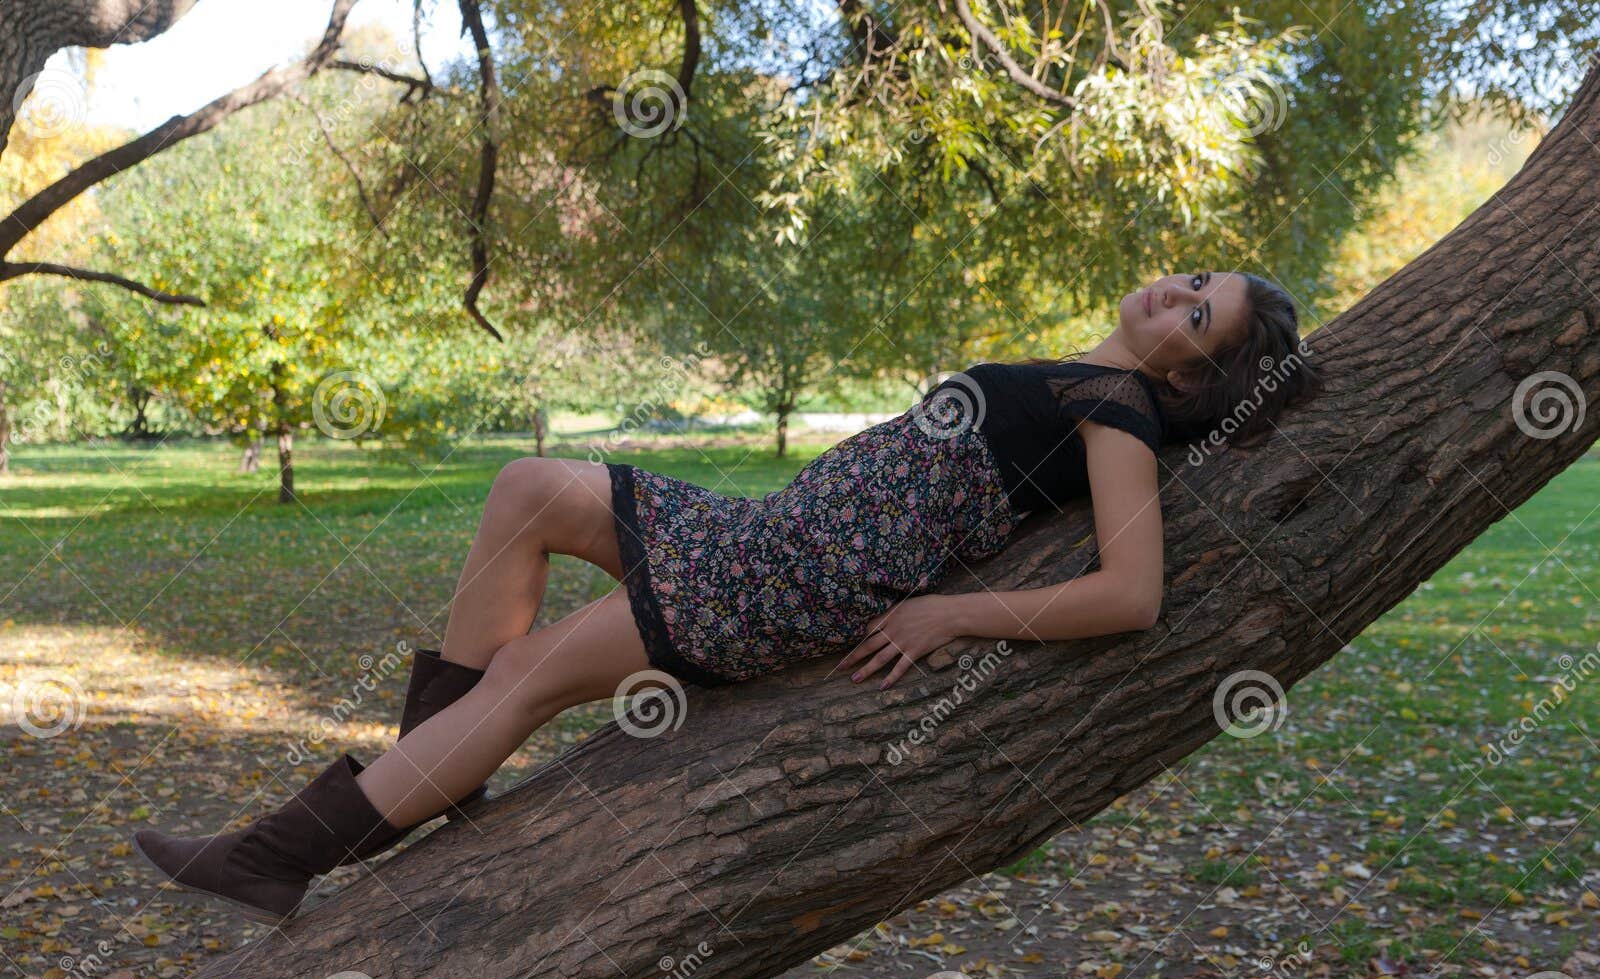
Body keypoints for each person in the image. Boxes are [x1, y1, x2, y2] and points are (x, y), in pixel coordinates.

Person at [133, 270, 1322, 922]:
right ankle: (436, 770)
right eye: (1190, 276)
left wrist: (950, 612)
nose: (1169, 291)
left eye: (1194, 312)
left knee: (530, 671)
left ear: (1189, 374)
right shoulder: (1086, 379)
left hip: (792, 581)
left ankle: (276, 855)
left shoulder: (1115, 417)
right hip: (767, 532)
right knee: (528, 486)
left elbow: (1133, 593)